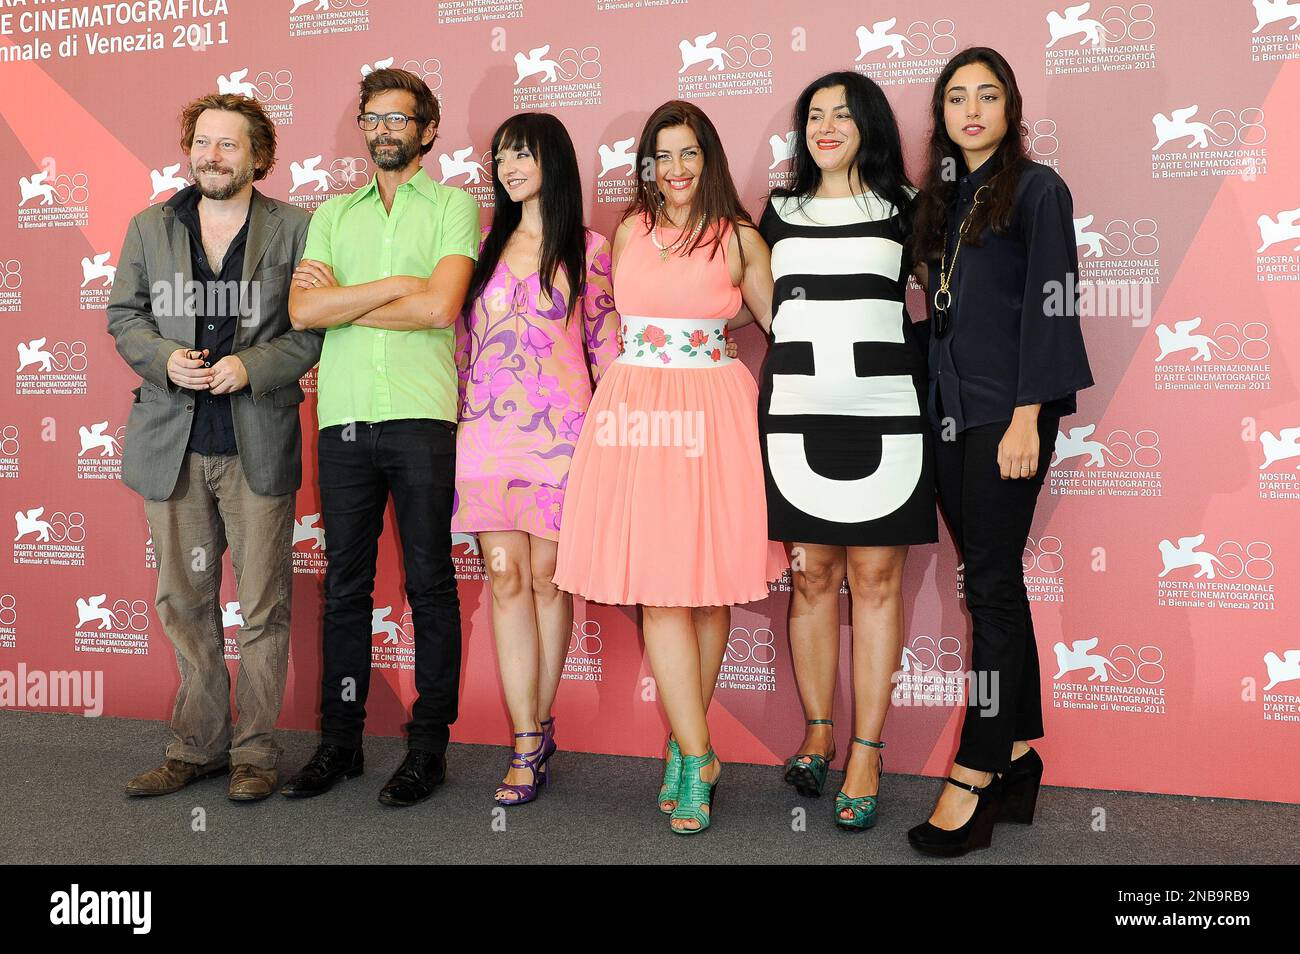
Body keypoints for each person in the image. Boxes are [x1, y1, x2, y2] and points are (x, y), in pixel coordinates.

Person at [553, 100, 787, 835]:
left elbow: (775, 321)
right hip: (635, 411)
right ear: (646, 165)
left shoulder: (741, 237)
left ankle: (688, 758)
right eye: (664, 156)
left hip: (712, 411)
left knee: (709, 588)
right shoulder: (629, 229)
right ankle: (700, 750)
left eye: (690, 154)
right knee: (659, 591)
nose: (677, 169)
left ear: (708, 159)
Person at [906, 47, 1093, 855]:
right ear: (942, 114)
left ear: (1011, 108)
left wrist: (1028, 415)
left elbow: (1052, 305)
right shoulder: (942, 202)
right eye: (956, 97)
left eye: (988, 96)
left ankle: (977, 771)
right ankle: (1018, 752)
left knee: (987, 588)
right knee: (994, 582)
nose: (971, 109)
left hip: (1004, 417)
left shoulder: (1037, 189)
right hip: (948, 413)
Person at [109, 92, 322, 802]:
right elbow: (125, 316)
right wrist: (164, 357)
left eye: (229, 144)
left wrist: (253, 366)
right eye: (203, 141)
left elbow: (313, 327)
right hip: (172, 445)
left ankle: (255, 753)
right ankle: (198, 745)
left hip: (256, 441)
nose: (212, 156)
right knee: (184, 601)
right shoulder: (150, 226)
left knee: (263, 603)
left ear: (258, 156)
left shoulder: (296, 228)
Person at [280, 68, 479, 807]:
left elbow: (440, 310)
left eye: (397, 118)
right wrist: (399, 283)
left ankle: (429, 748)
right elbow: (302, 313)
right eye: (371, 117)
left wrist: (345, 304)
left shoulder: (455, 205)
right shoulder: (332, 213)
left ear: (427, 131)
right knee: (344, 590)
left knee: (430, 585)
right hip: (344, 422)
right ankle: (341, 742)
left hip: (423, 420)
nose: (382, 130)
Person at [756, 72, 936, 830]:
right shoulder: (778, 212)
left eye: (842, 114)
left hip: (886, 413)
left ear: (869, 124)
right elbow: (748, 302)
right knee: (813, 577)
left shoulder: (907, 212)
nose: (826, 127)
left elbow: (951, 300)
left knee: (875, 579)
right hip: (798, 416)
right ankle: (818, 731)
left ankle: (867, 747)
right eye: (814, 116)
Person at [453, 113, 619, 805]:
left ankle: (541, 723)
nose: (509, 165)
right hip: (487, 435)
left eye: (522, 153)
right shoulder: (480, 245)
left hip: (565, 435)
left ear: (553, 157)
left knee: (549, 579)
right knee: (505, 575)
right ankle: (524, 738)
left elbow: (606, 347)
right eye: (501, 156)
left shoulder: (589, 247)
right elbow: (461, 346)